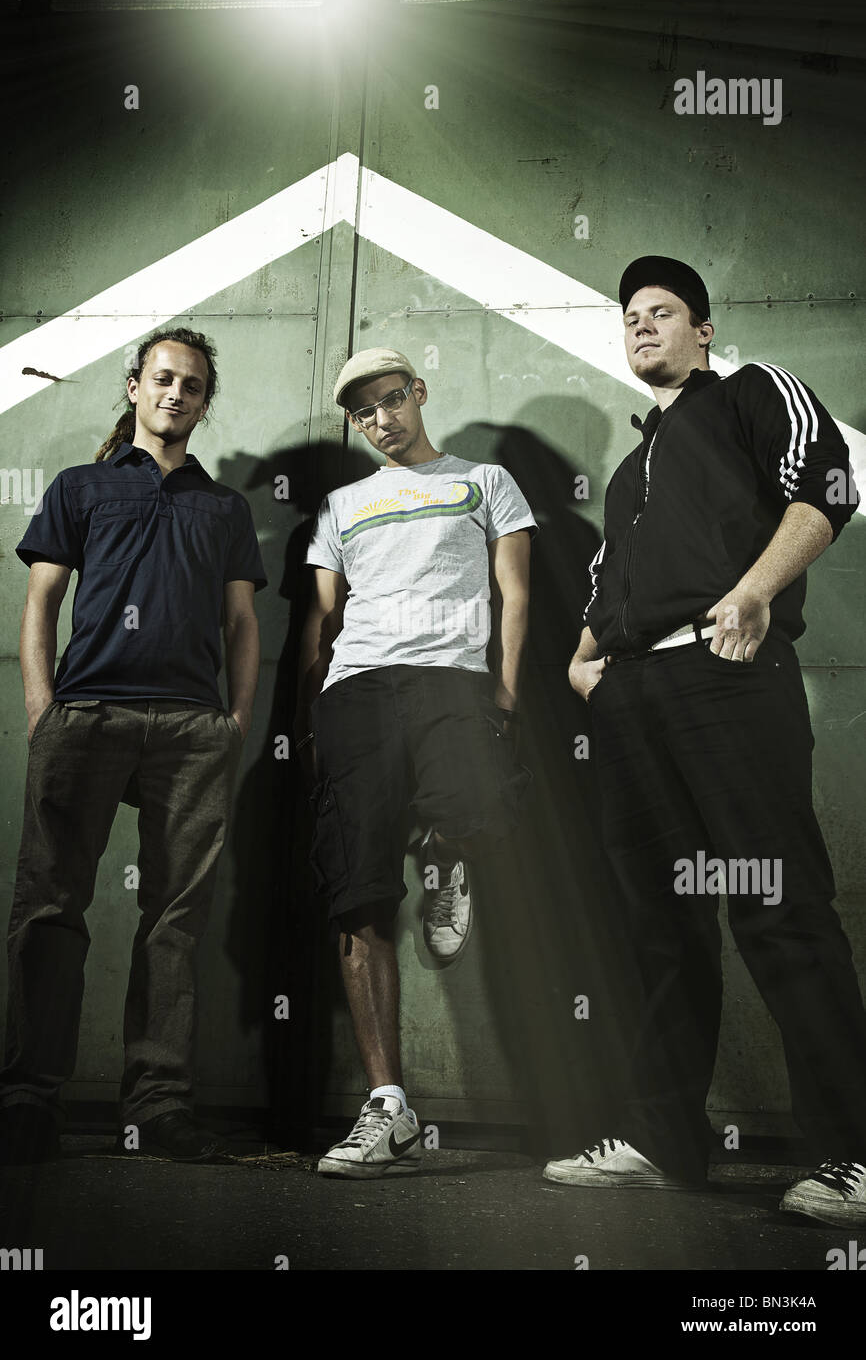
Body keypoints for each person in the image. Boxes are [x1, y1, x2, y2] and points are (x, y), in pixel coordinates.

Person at [545, 256, 866, 1227]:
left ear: (704, 330)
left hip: (725, 679)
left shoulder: (751, 393)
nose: (641, 326)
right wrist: (579, 661)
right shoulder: (629, 471)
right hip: (633, 699)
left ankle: (850, 1153)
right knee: (660, 923)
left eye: (662, 312)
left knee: (774, 907)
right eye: (630, 316)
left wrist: (754, 591)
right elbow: (610, 584)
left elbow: (827, 485)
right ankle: (662, 1140)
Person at [0, 328, 266, 1165]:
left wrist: (233, 723)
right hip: (88, 717)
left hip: (190, 730)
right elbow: (41, 605)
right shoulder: (81, 487)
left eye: (191, 384)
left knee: (175, 919)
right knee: (49, 908)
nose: (176, 393)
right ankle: (28, 1099)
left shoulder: (223, 506)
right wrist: (45, 711)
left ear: (204, 401)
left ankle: (157, 1105)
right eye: (162, 379)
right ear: (134, 387)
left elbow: (242, 625)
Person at [295, 347, 536, 1178]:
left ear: (419, 391)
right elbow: (321, 619)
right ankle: (389, 1107)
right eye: (363, 414)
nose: (381, 421)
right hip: (358, 690)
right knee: (356, 889)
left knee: (479, 812)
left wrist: (503, 691)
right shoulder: (342, 504)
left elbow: (517, 590)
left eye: (391, 401)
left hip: (452, 683)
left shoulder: (486, 482)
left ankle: (444, 855)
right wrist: (312, 714)